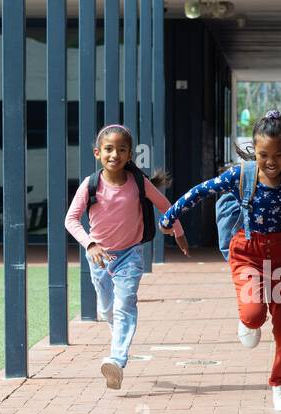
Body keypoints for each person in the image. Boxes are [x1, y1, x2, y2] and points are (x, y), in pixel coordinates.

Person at [158, 110, 281, 412]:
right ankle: (248, 321)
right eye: (263, 154)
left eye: (280, 155)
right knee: (255, 314)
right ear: (254, 151)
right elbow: (200, 191)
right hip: (247, 252)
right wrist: (169, 216)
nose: (271, 162)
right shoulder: (240, 175)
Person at [64, 123, 188, 390]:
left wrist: (177, 231)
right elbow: (71, 220)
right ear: (97, 153)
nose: (114, 155)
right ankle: (117, 339)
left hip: (130, 254)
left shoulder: (138, 183)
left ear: (129, 155)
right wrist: (90, 244)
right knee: (107, 309)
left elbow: (166, 206)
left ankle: (117, 361)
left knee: (125, 305)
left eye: (121, 150)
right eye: (108, 149)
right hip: (99, 257)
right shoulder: (90, 185)